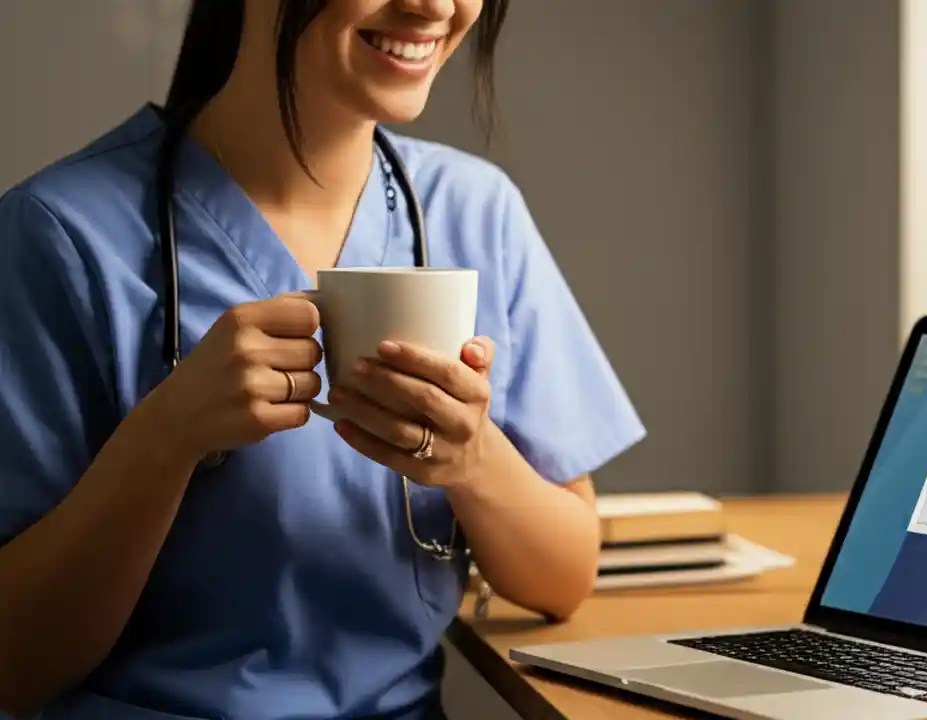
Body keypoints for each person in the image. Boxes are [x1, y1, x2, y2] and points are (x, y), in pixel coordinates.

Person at [0, 0, 645, 718]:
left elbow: (563, 578)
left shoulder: (475, 211)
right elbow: (15, 665)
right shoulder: (60, 235)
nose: (434, 6)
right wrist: (166, 436)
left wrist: (472, 460)